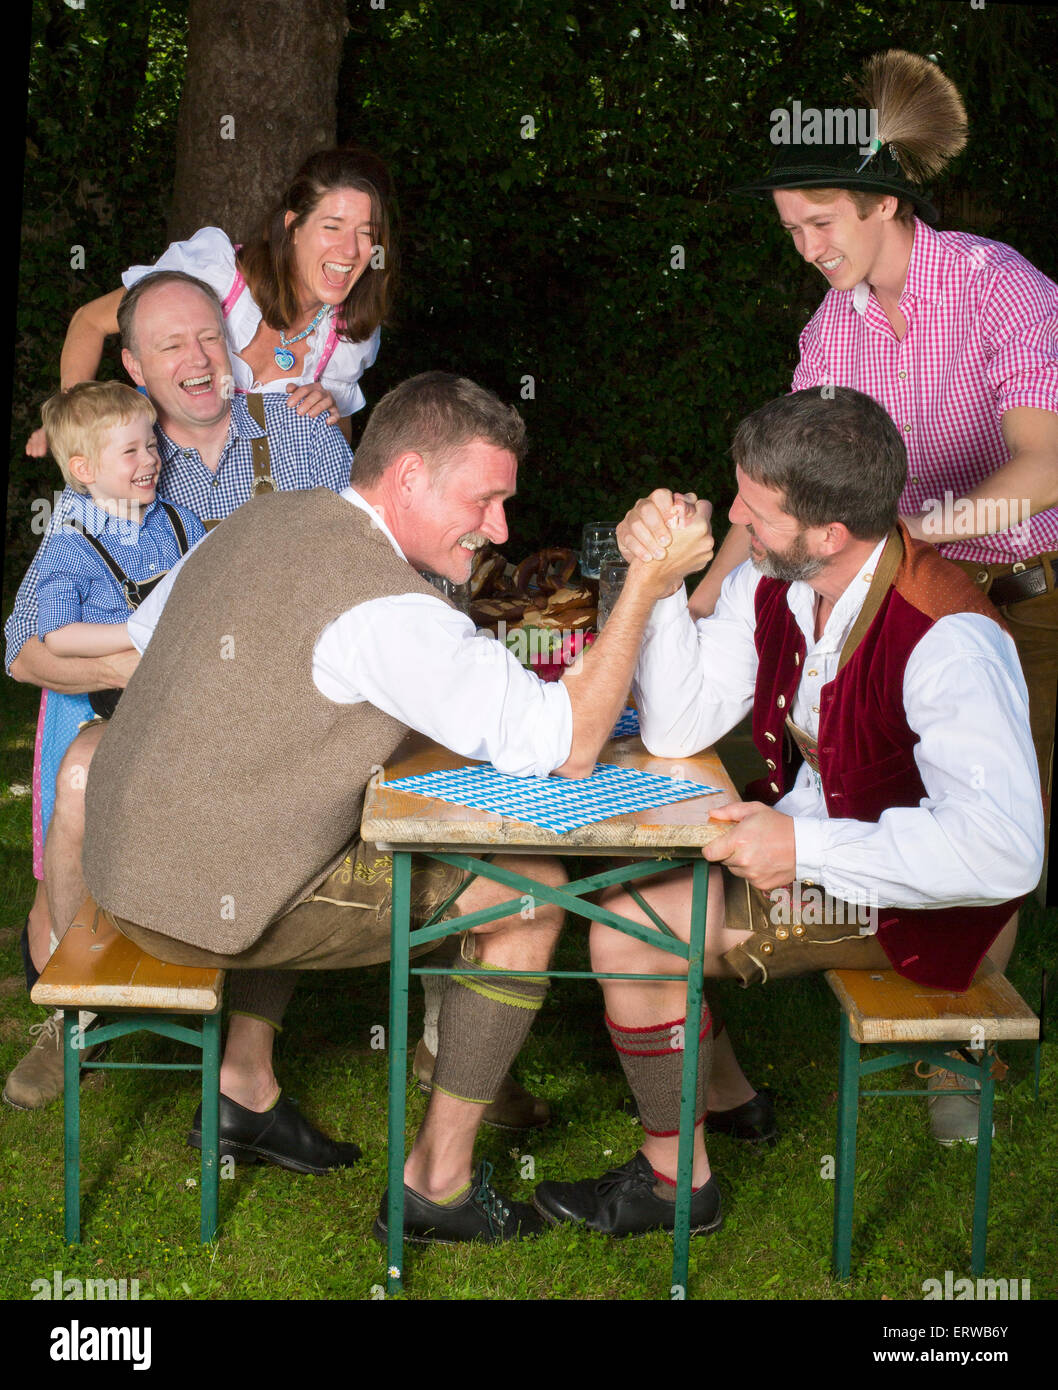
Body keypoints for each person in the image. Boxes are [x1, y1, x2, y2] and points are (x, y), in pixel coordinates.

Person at [72, 371, 715, 1239]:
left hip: (119, 860)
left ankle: (243, 1088)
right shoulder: (388, 609)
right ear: (408, 476)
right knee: (524, 891)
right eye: (484, 500)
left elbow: (145, 642)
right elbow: (567, 746)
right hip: (191, 902)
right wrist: (644, 584)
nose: (500, 528)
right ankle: (435, 1186)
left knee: (310, 810)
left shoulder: (268, 516)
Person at [532, 387, 1043, 1235]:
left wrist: (803, 847)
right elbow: (680, 723)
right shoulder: (777, 581)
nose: (734, 516)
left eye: (755, 509)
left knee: (628, 928)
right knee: (634, 877)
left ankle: (675, 1187)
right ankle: (730, 1100)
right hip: (832, 856)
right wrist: (658, 583)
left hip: (940, 907)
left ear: (830, 532)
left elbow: (1004, 853)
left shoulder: (948, 637)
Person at [688, 50, 1058, 1141]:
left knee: (995, 826)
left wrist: (922, 528)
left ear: (883, 201)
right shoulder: (833, 328)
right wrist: (704, 587)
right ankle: (876, 968)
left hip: (1016, 593)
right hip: (888, 596)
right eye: (791, 231)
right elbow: (782, 475)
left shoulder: (1001, 289)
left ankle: (956, 1054)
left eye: (820, 225)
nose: (806, 251)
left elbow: (1044, 464)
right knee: (871, 782)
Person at [3, 271, 355, 1111]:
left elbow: (356, 571)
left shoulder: (299, 436)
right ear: (133, 366)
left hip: (284, 706)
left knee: (291, 799)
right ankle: (72, 1001)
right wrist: (135, 667)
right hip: (161, 712)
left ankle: (246, 1064)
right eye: (171, 345)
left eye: (209, 338)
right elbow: (26, 652)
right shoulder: (117, 473)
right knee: (86, 775)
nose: (198, 359)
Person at [25, 145, 396, 451]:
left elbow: (335, 453)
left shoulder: (348, 334)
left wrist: (326, 412)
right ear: (293, 228)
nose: (349, 250)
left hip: (248, 514)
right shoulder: (214, 275)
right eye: (332, 227)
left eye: (366, 233)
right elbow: (88, 322)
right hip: (155, 490)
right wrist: (71, 425)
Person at [33, 381, 204, 670]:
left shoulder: (182, 524)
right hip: (124, 695)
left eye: (151, 446)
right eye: (130, 452)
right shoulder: (71, 545)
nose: (149, 459)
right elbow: (58, 636)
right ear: (84, 469)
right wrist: (140, 631)